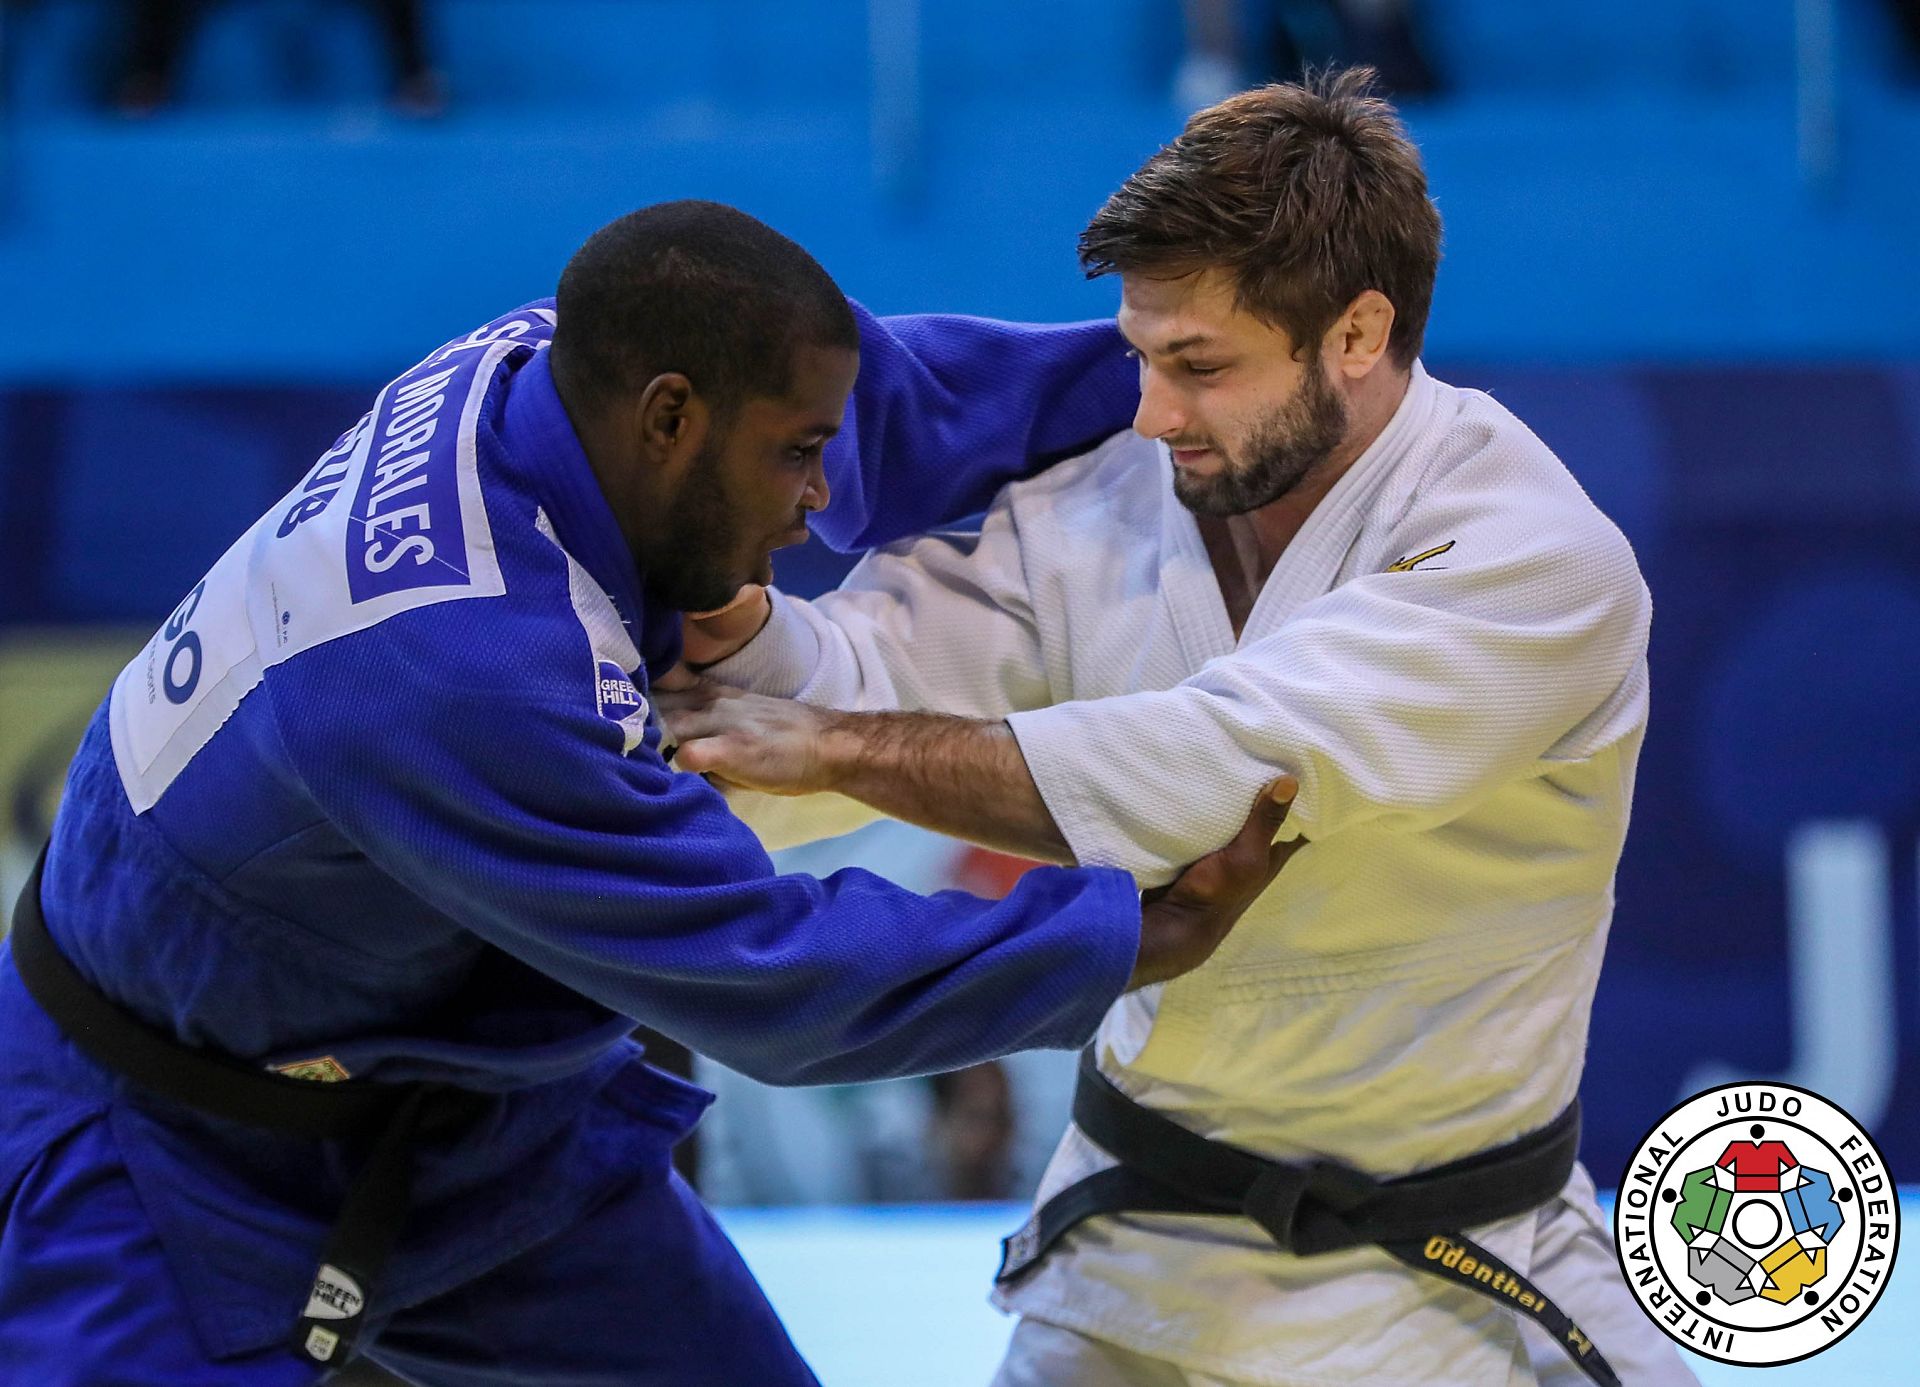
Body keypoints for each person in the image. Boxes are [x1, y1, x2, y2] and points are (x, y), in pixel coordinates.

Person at [0, 201, 1301, 1385]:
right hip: (152, 1153)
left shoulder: (554, 364)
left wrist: (1164, 383)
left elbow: (894, 400)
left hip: (460, 1124)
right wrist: (1130, 931)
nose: (811, 506)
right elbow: (773, 972)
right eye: (794, 459)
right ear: (670, 420)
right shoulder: (465, 673)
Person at [663, 73, 1698, 1387]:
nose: (1151, 410)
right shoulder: (1116, 485)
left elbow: (1209, 773)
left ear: (1359, 333)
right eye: (1140, 357)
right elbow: (885, 670)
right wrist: (742, 641)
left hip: (1447, 1273)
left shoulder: (1529, 560)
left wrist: (827, 748)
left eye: (1200, 366)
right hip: (1135, 1259)